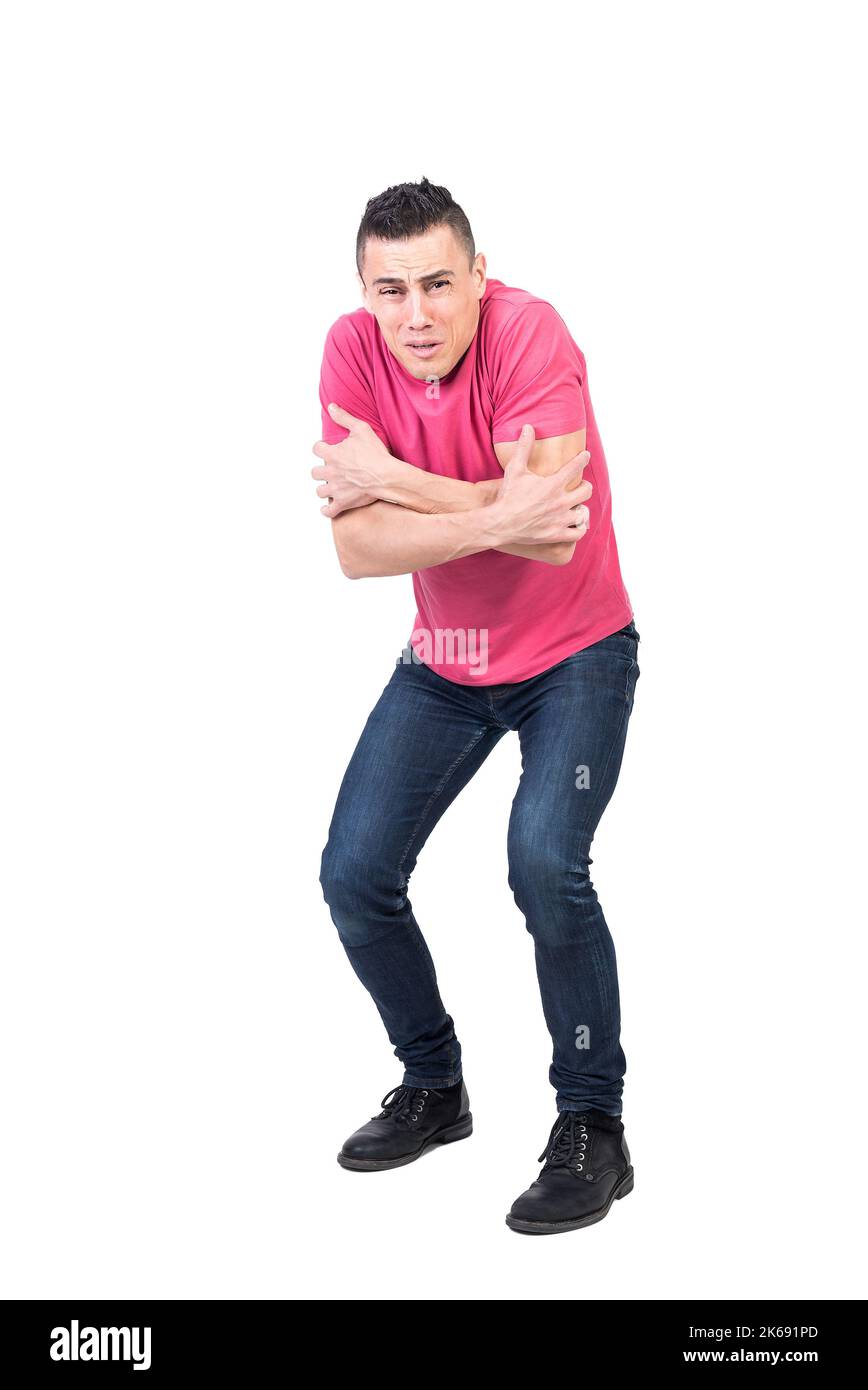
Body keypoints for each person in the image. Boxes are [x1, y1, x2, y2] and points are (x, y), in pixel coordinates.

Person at [312, 177, 641, 1235]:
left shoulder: (533, 334)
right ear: (366, 291)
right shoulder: (349, 350)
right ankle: (434, 1084)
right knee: (355, 873)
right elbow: (357, 550)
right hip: (447, 657)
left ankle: (593, 1124)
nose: (415, 314)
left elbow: (553, 534)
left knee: (545, 861)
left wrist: (391, 476)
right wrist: (494, 503)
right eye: (390, 288)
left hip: (576, 653)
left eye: (438, 284)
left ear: (478, 276)